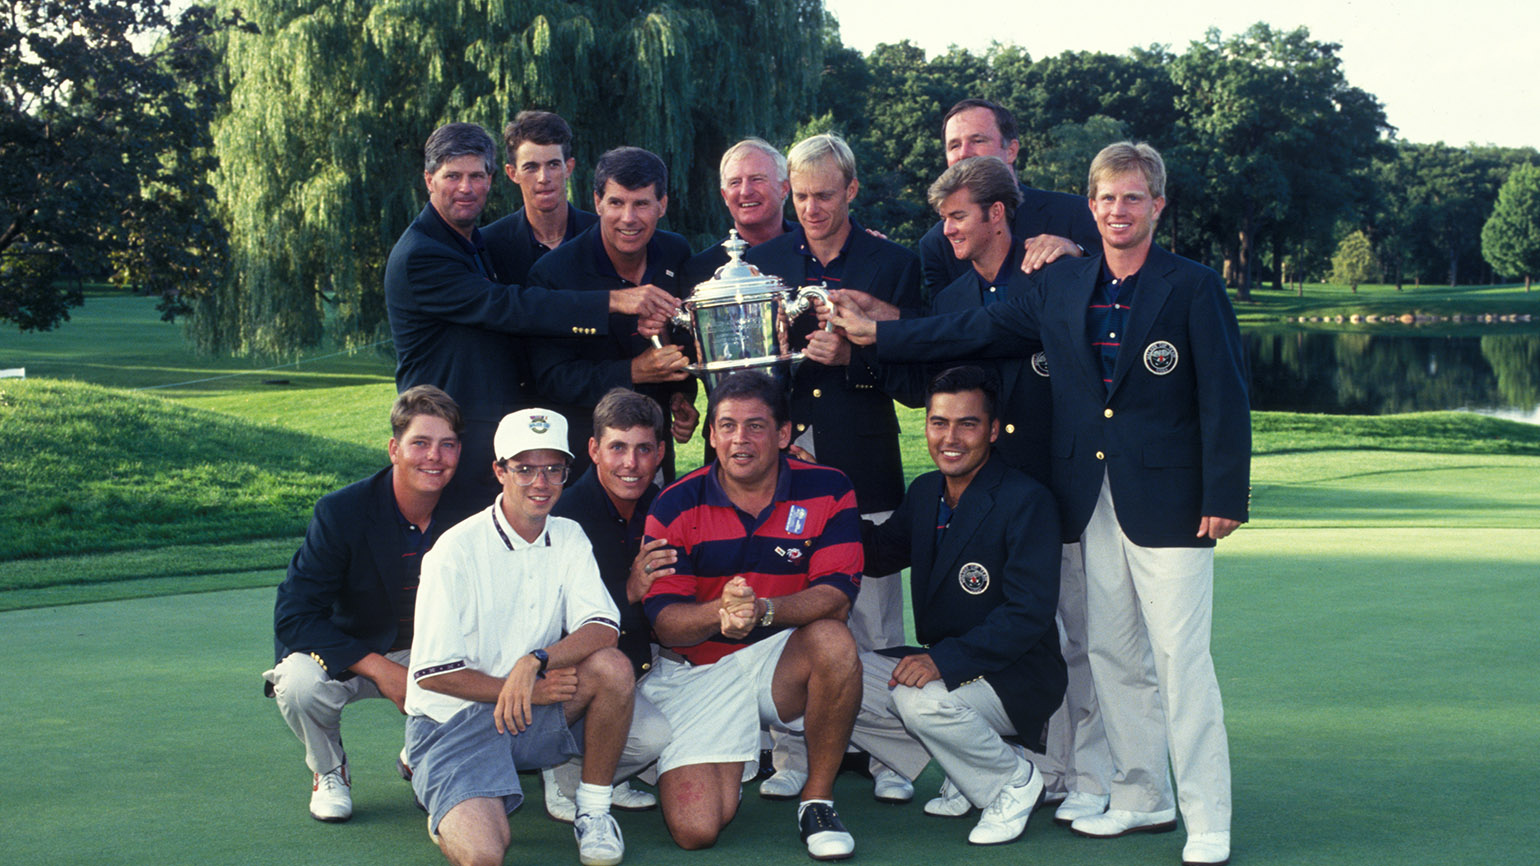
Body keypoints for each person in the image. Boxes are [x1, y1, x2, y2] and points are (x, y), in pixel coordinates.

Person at [833, 141, 1251, 866]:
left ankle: (1207, 816)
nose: (1118, 210)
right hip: (1088, 500)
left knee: (1181, 661)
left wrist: (1224, 493)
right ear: (1090, 207)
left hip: (1174, 505)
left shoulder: (1192, 285)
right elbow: (976, 329)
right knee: (1114, 656)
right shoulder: (1065, 283)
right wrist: (885, 332)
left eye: (1132, 198)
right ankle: (1141, 795)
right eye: (1106, 198)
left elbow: (1224, 393)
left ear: (1157, 206)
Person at [811, 155, 1115, 823]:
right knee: (981, 631)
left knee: (1077, 641)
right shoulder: (950, 299)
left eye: (956, 217)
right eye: (942, 218)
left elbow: (989, 330)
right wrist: (869, 344)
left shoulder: (1047, 273)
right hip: (984, 489)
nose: (945, 231)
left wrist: (885, 331)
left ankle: (1083, 773)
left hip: (1058, 488)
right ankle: (1000, 768)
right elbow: (930, 379)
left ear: (996, 215)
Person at [639, 371, 928, 859]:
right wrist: (721, 614)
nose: (739, 439)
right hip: (696, 674)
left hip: (776, 662)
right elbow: (665, 621)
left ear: (783, 434)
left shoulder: (828, 486)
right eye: (726, 426)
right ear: (710, 435)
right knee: (696, 830)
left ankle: (818, 799)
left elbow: (836, 596)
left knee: (834, 641)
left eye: (755, 426)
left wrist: (760, 612)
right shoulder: (674, 501)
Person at [743, 132, 922, 802]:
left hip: (861, 460)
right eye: (803, 194)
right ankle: (790, 753)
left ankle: (890, 758)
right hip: (782, 461)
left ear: (851, 190)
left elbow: (913, 381)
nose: (813, 208)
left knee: (873, 612)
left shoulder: (890, 264)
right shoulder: (761, 264)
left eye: (826, 195)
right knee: (787, 604)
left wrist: (856, 361)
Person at [385, 122, 678, 521]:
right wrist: (611, 301)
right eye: (453, 176)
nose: (466, 188)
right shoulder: (423, 255)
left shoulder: (470, 242)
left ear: (491, 179)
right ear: (428, 180)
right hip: (453, 435)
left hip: (503, 437)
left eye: (475, 176)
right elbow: (507, 306)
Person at [405, 408, 651, 866]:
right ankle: (436, 784)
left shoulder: (568, 534)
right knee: (485, 855)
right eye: (524, 469)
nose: (541, 482)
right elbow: (432, 675)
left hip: (525, 713)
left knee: (612, 668)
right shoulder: (453, 552)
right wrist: (526, 691)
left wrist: (534, 660)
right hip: (453, 724)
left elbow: (604, 627)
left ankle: (593, 812)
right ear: (500, 471)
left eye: (553, 469)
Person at [860, 366, 1065, 845]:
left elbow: (1027, 614)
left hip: (1018, 677)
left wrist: (940, 661)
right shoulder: (926, 491)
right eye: (938, 422)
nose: (950, 438)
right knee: (833, 671)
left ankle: (1013, 782)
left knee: (917, 700)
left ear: (992, 430)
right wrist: (813, 490)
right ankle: (966, 772)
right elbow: (874, 554)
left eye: (967, 424)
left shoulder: (1026, 500)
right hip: (955, 671)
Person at [266, 385, 463, 823]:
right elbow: (293, 615)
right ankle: (329, 769)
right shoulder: (342, 512)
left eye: (447, 444)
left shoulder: (474, 509)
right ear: (394, 449)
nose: (435, 456)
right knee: (297, 682)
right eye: (420, 443)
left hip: (437, 652)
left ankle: (420, 752)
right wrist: (380, 668)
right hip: (354, 651)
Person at [542, 388, 680, 822]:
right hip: (562, 676)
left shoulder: (664, 506)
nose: (630, 464)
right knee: (653, 739)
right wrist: (630, 590)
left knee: (677, 735)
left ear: (660, 452)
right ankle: (563, 771)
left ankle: (603, 772)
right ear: (594, 450)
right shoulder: (562, 515)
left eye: (643, 449)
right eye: (617, 447)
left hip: (640, 661)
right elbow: (554, 622)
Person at [527, 146, 699, 483]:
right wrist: (635, 371)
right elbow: (552, 379)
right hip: (584, 457)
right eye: (617, 203)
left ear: (662, 205)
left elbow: (684, 340)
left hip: (654, 453)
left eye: (642, 204)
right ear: (597, 202)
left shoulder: (675, 252)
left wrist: (682, 395)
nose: (628, 218)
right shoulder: (554, 274)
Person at [917, 98, 1100, 299]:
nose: (964, 154)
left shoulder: (1075, 212)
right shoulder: (937, 243)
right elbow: (942, 322)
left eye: (978, 140)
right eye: (954, 145)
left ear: (1011, 150)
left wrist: (1079, 253)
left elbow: (1123, 285)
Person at [483, 110, 598, 287]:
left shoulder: (602, 235)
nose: (544, 178)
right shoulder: (488, 245)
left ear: (568, 168)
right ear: (512, 173)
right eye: (531, 167)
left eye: (553, 165)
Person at [682, 138, 796, 288]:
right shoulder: (700, 271)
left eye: (757, 179)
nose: (745, 191)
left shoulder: (814, 249)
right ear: (724, 196)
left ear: (784, 188)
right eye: (735, 182)